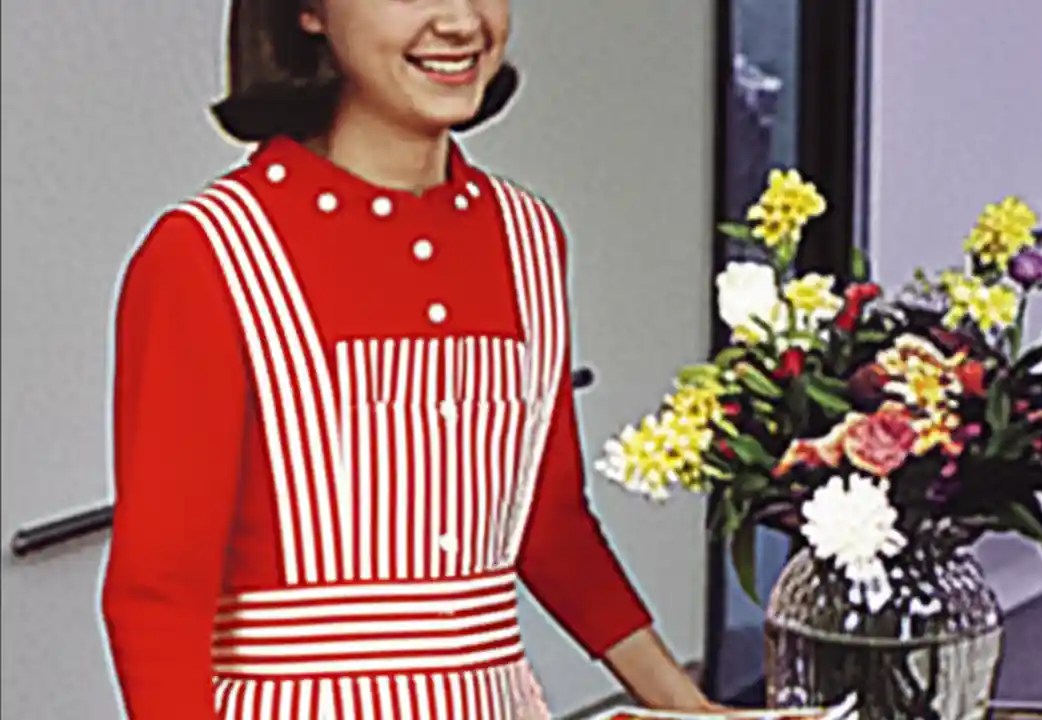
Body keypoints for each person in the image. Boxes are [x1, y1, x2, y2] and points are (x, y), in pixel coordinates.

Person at [99, 1, 725, 717]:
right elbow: (158, 595)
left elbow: (550, 527)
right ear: (308, 12)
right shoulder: (210, 253)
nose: (460, 22)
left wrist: (689, 707)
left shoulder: (529, 238)